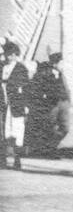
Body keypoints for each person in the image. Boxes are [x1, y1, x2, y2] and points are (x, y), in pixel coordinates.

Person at [25, 52, 71, 158]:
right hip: (52, 104)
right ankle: (50, 150)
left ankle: (50, 147)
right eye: (61, 63)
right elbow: (40, 89)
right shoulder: (45, 73)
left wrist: (68, 100)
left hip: (63, 103)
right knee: (51, 127)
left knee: (65, 128)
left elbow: (66, 88)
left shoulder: (61, 74)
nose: (63, 65)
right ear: (55, 63)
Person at [1, 40, 30, 170]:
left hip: (17, 105)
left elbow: (28, 89)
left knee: (17, 131)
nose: (7, 57)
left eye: (10, 54)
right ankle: (3, 160)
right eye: (6, 54)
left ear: (14, 55)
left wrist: (26, 105)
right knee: (4, 132)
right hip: (4, 105)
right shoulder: (2, 67)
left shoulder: (21, 68)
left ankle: (17, 160)